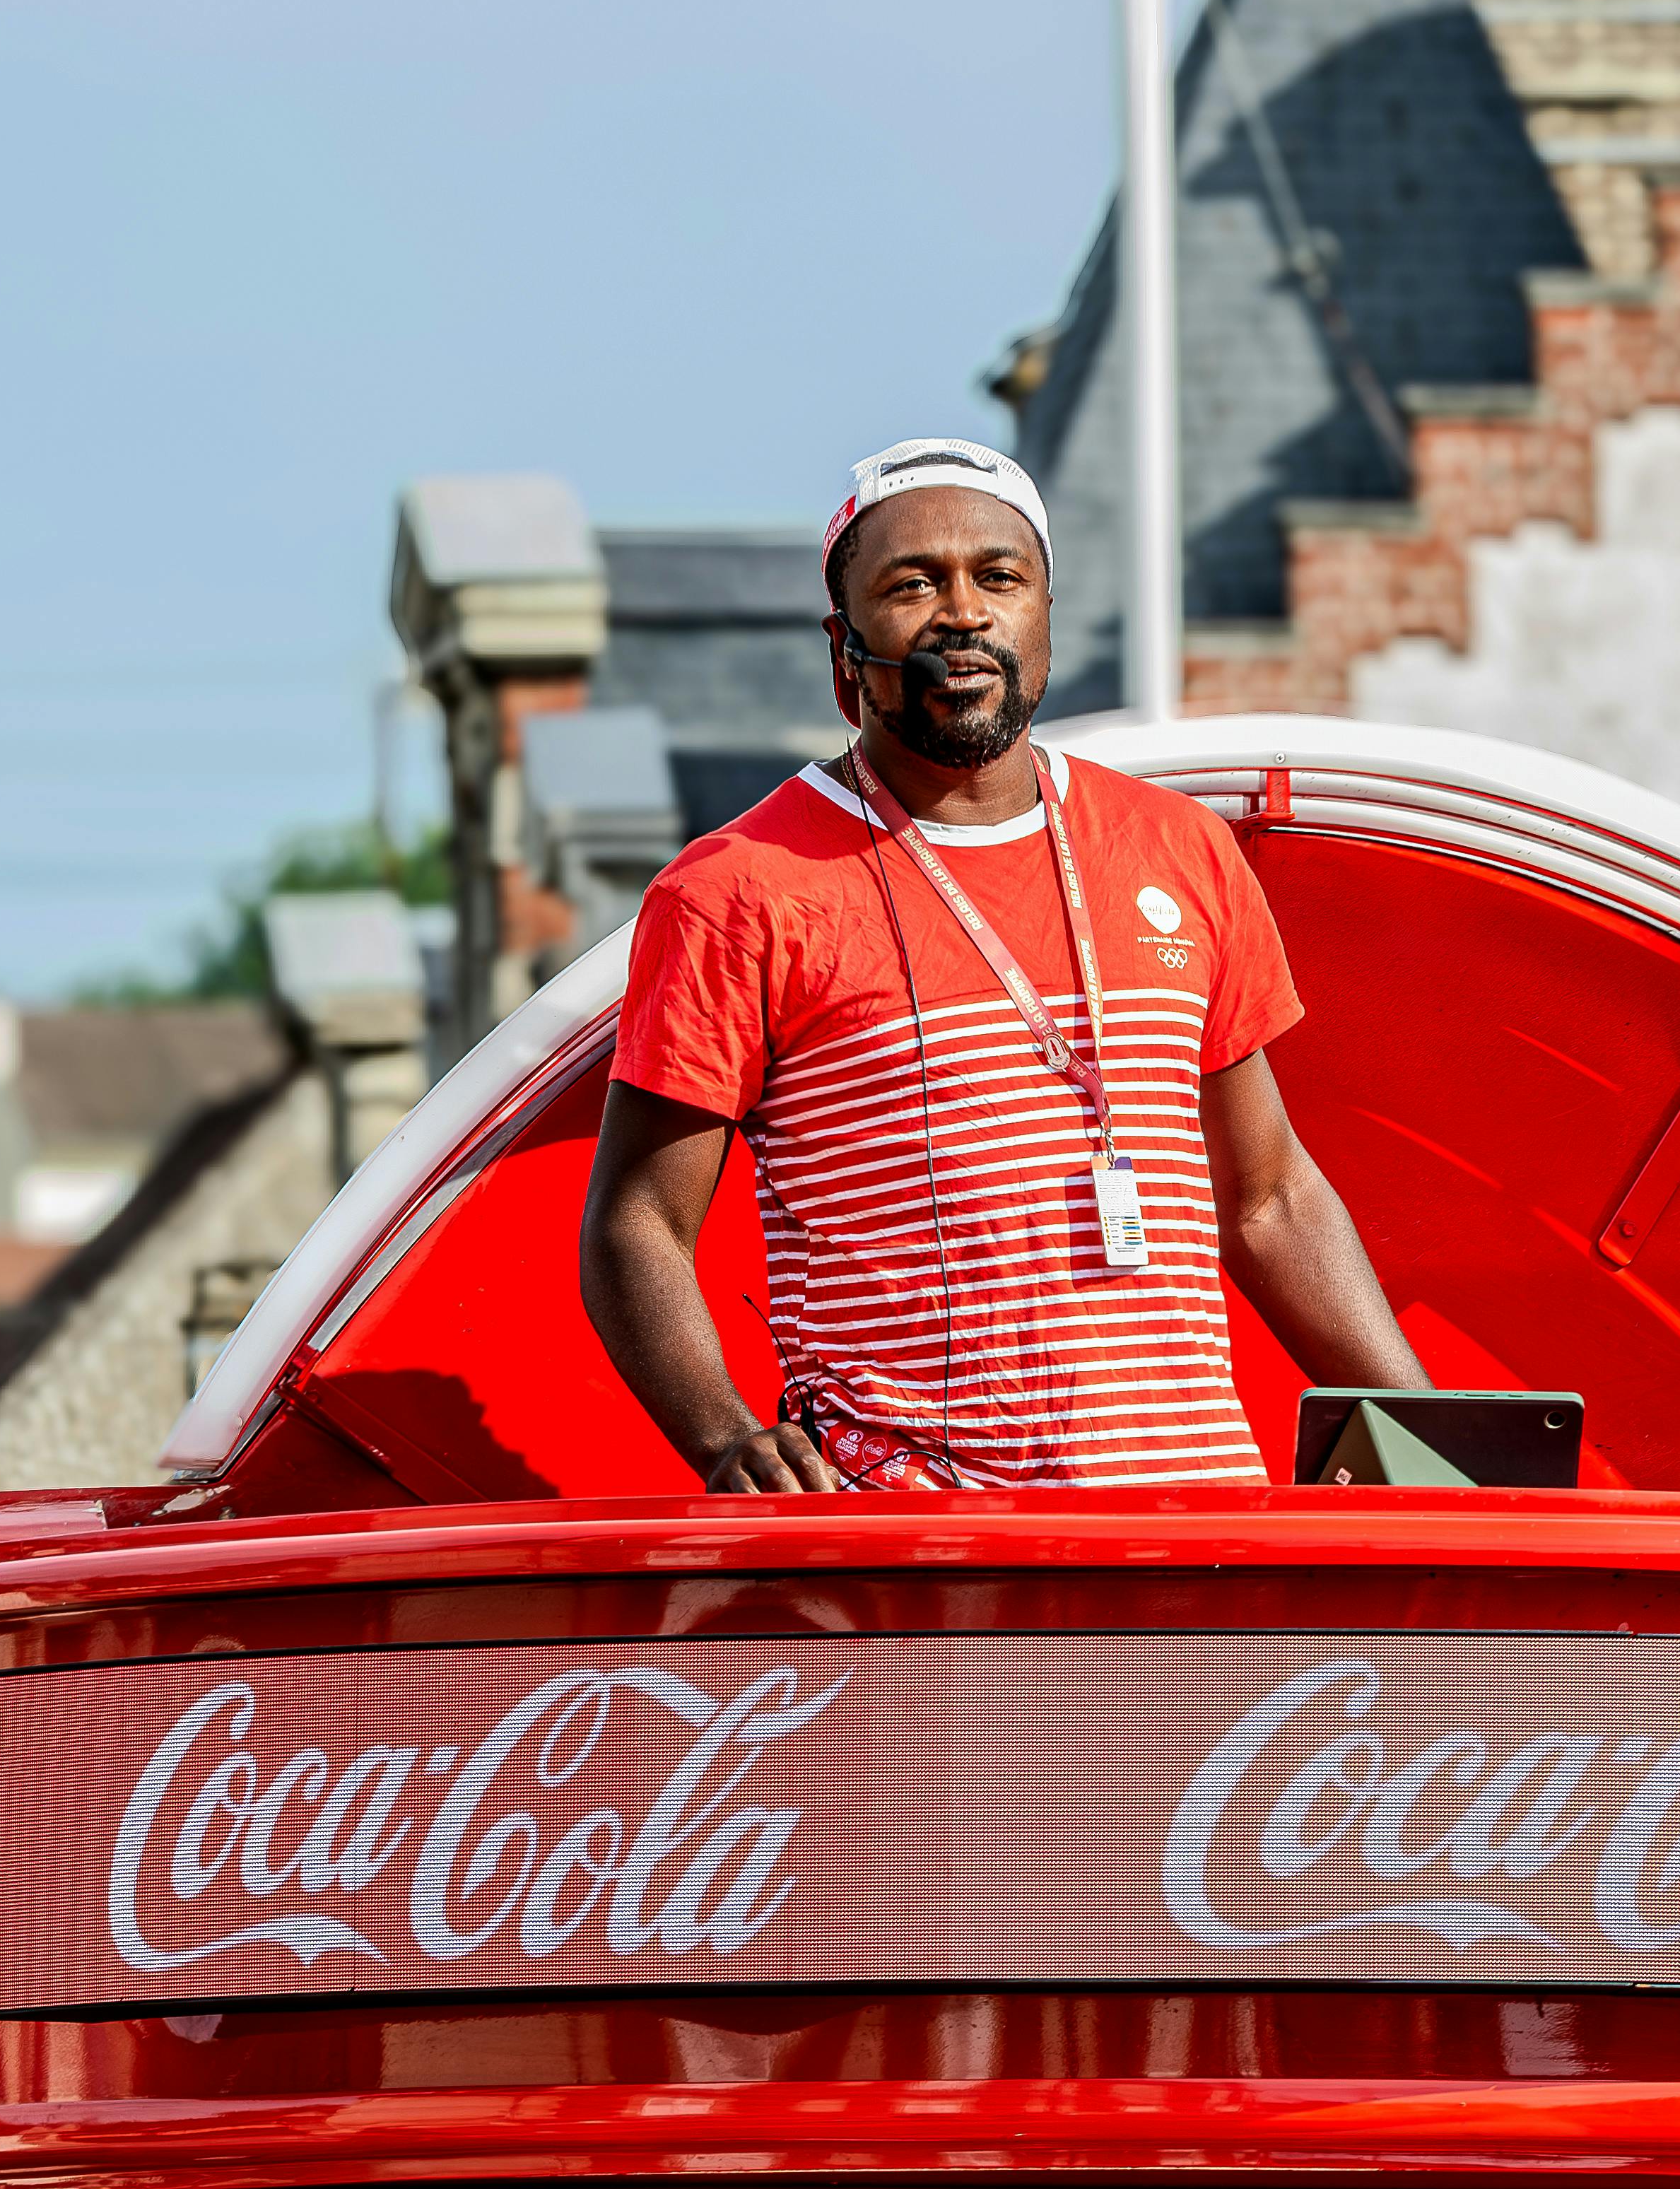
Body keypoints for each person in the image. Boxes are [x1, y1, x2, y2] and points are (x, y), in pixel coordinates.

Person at [575, 435, 1426, 1493]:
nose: (964, 611)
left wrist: (1432, 1442)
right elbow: (637, 1225)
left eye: (1000, 577)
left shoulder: (1180, 847)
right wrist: (724, 1438)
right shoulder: (737, 891)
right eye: (913, 584)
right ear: (845, 649)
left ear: (1046, 623)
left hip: (1200, 1529)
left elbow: (1271, 1200)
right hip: (923, 1550)